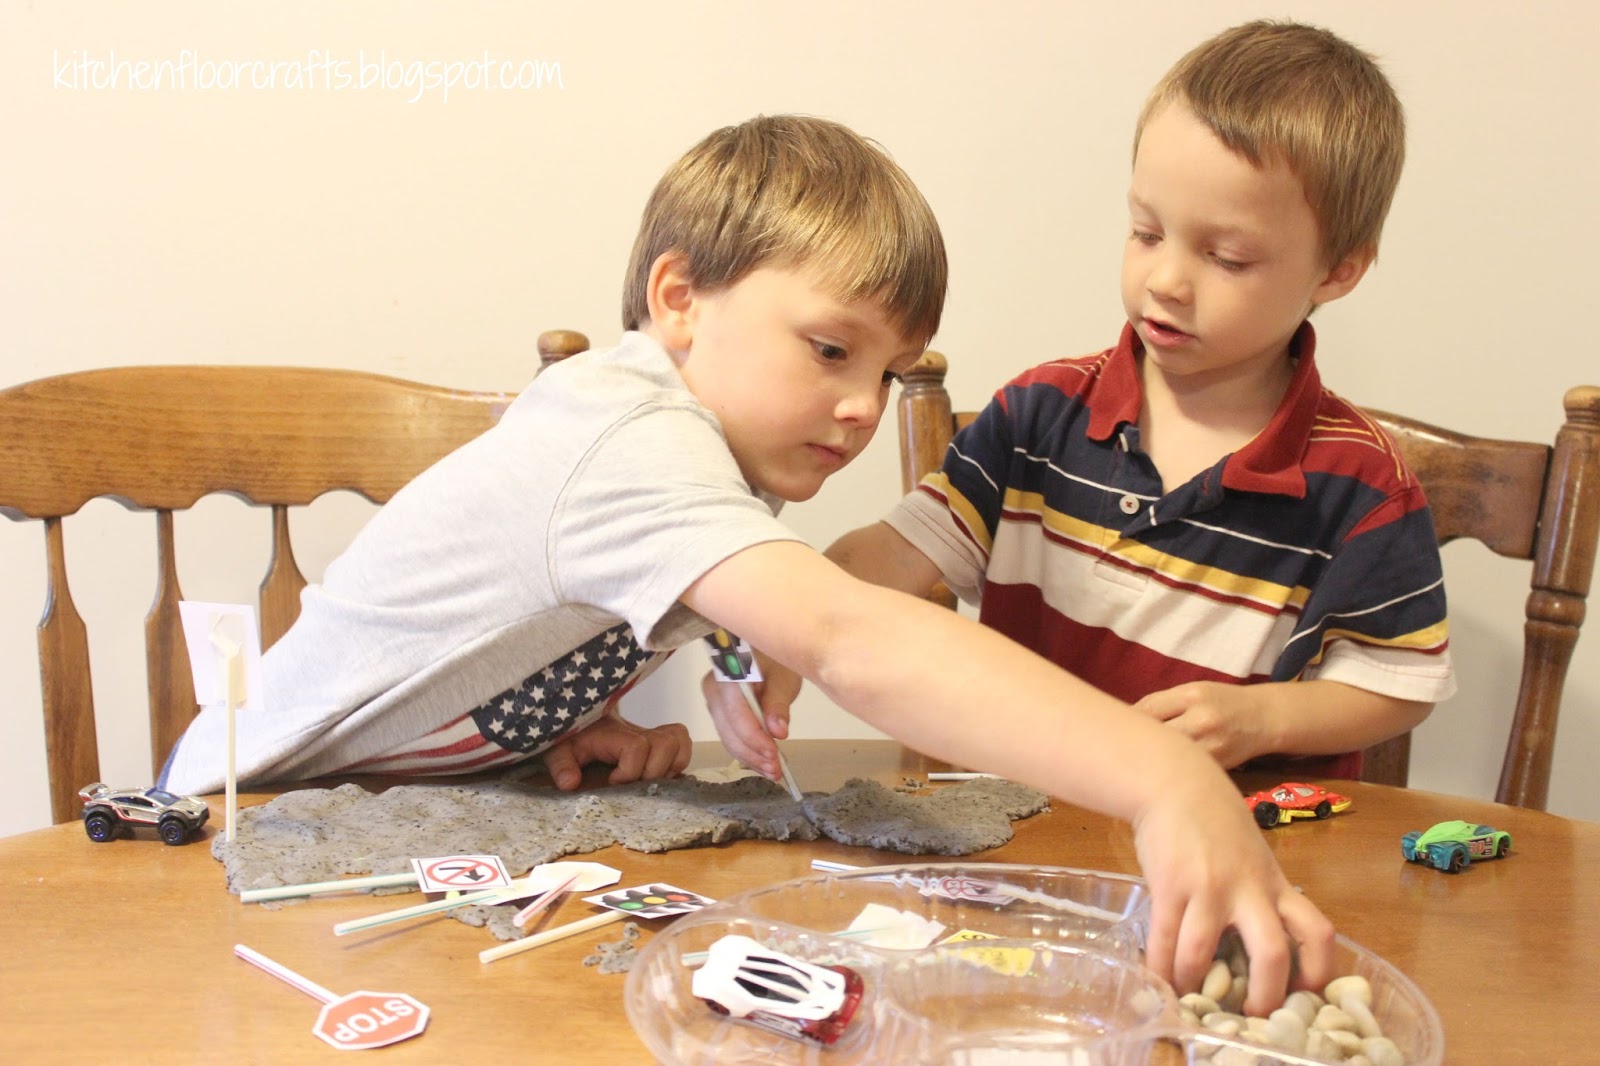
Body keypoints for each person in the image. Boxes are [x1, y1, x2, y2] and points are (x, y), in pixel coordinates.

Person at [162, 113, 1330, 1011]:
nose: (864, 406)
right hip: (244, 829)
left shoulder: (692, 454)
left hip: (406, 824)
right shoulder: (629, 442)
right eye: (829, 349)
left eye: (888, 371)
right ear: (678, 298)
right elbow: (849, 637)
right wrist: (1163, 779)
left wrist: (542, 721)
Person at [716, 21, 1453, 795]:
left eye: (1226, 257)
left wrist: (1262, 720)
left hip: (1234, 840)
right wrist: (778, 629)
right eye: (1146, 231)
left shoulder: (1363, 482)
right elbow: (894, 555)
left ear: (1338, 270)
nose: (1166, 279)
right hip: (1024, 821)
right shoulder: (1042, 415)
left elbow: (1395, 684)